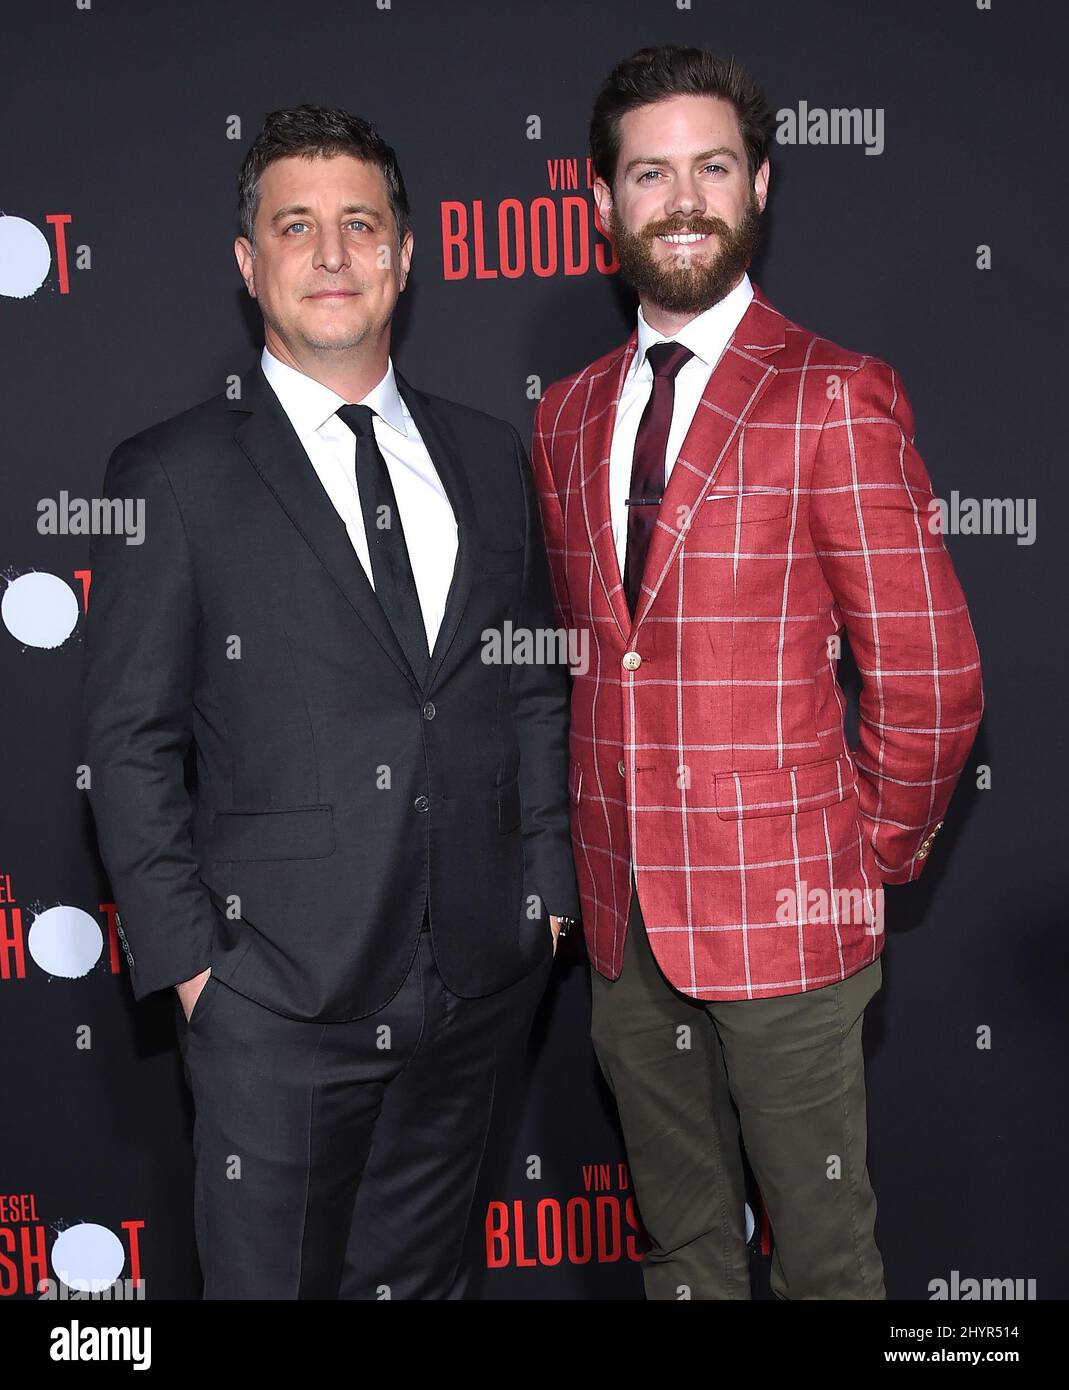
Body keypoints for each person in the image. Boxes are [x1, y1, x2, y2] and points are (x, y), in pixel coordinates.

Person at [81, 103, 579, 1299]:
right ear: (249, 265)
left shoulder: (489, 453)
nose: (332, 252)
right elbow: (128, 740)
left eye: (360, 223)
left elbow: (533, 683)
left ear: (408, 254)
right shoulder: (175, 470)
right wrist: (200, 970)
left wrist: (547, 898)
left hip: (475, 983)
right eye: (294, 226)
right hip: (274, 1000)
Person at [530, 46, 983, 1299]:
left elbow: (933, 674)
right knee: (684, 1256)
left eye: (712, 167)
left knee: (827, 1262)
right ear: (604, 203)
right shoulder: (563, 416)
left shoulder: (833, 394)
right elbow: (583, 662)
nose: (683, 198)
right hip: (624, 932)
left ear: (761, 184)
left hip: (791, 923)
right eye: (650, 171)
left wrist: (863, 858)